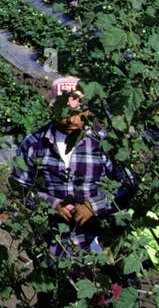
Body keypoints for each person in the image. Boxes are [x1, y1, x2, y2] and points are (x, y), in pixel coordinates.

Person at [10, 76, 135, 258]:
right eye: (65, 112)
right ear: (54, 110)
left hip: (98, 240)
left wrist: (94, 205)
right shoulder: (35, 143)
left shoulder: (102, 142)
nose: (72, 120)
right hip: (54, 242)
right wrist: (51, 204)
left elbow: (128, 185)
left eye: (78, 112)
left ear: (87, 110)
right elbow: (19, 188)